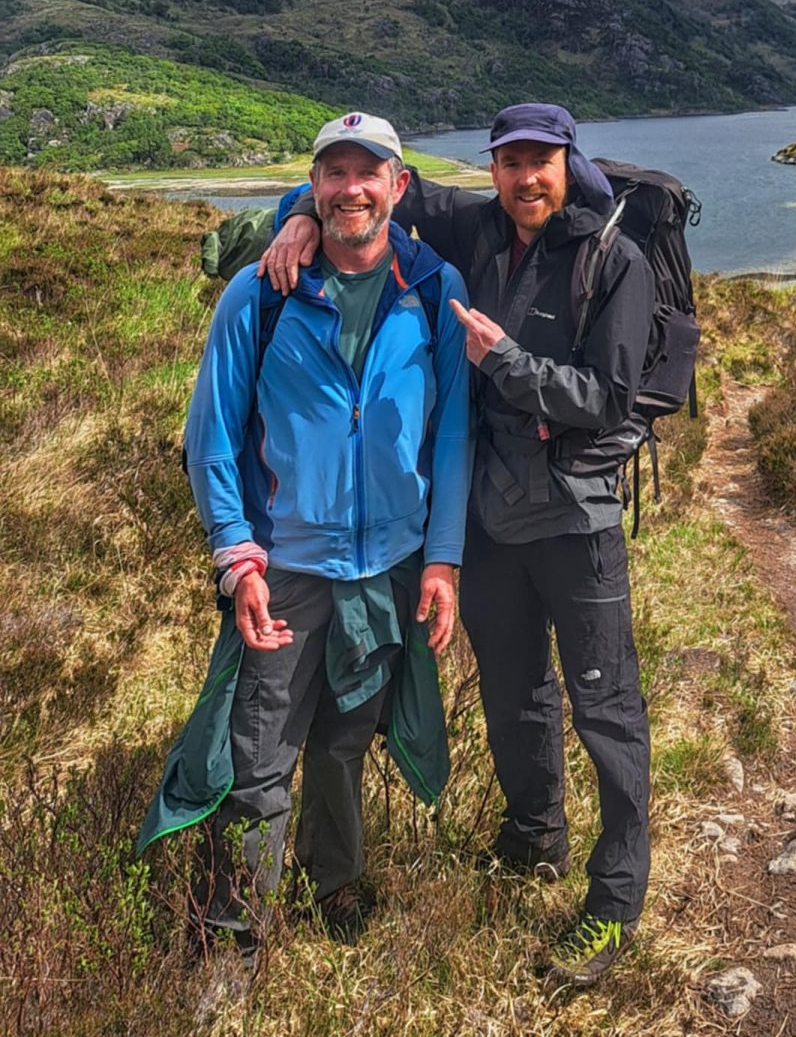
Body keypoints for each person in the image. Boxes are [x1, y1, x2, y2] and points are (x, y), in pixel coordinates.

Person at [259, 103, 656, 987]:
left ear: (566, 163)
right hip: (486, 518)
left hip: (576, 521)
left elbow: (610, 399)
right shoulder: (474, 228)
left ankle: (615, 900)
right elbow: (361, 189)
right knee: (514, 689)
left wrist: (507, 362)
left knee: (604, 707)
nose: (524, 179)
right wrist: (295, 210)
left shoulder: (611, 260)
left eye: (540, 162)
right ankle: (534, 835)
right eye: (509, 162)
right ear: (493, 169)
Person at [137, 112, 470, 966]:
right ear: (313, 186)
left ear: (400, 187)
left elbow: (452, 441)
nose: (350, 189)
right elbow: (210, 435)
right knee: (260, 753)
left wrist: (441, 559)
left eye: (370, 173)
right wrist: (236, 555)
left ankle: (335, 884)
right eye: (333, 173)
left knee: (343, 743)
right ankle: (234, 939)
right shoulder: (261, 290)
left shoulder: (434, 289)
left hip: (388, 569)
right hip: (285, 567)